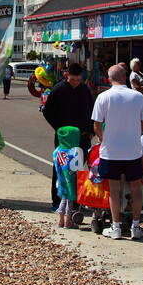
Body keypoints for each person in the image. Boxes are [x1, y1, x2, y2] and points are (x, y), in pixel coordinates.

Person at [91, 63, 143, 240]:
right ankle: (135, 227)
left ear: (109, 79)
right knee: (135, 189)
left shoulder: (103, 97)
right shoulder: (137, 96)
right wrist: (136, 135)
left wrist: (103, 138)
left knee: (114, 190)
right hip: (133, 150)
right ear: (125, 77)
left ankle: (115, 226)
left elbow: (96, 124)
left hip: (110, 151)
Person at [42, 62, 93, 211]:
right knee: (61, 169)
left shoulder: (85, 90)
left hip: (82, 137)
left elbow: (92, 110)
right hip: (64, 137)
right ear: (67, 76)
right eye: (73, 80)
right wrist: (59, 129)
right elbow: (48, 112)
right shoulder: (59, 89)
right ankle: (57, 201)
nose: (76, 83)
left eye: (78, 80)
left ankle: (75, 201)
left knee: (77, 168)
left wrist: (91, 131)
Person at [52, 125, 85, 229]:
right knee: (70, 201)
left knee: (63, 199)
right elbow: (79, 167)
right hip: (71, 181)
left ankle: (60, 221)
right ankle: (67, 222)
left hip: (61, 180)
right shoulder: (74, 151)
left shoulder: (58, 150)